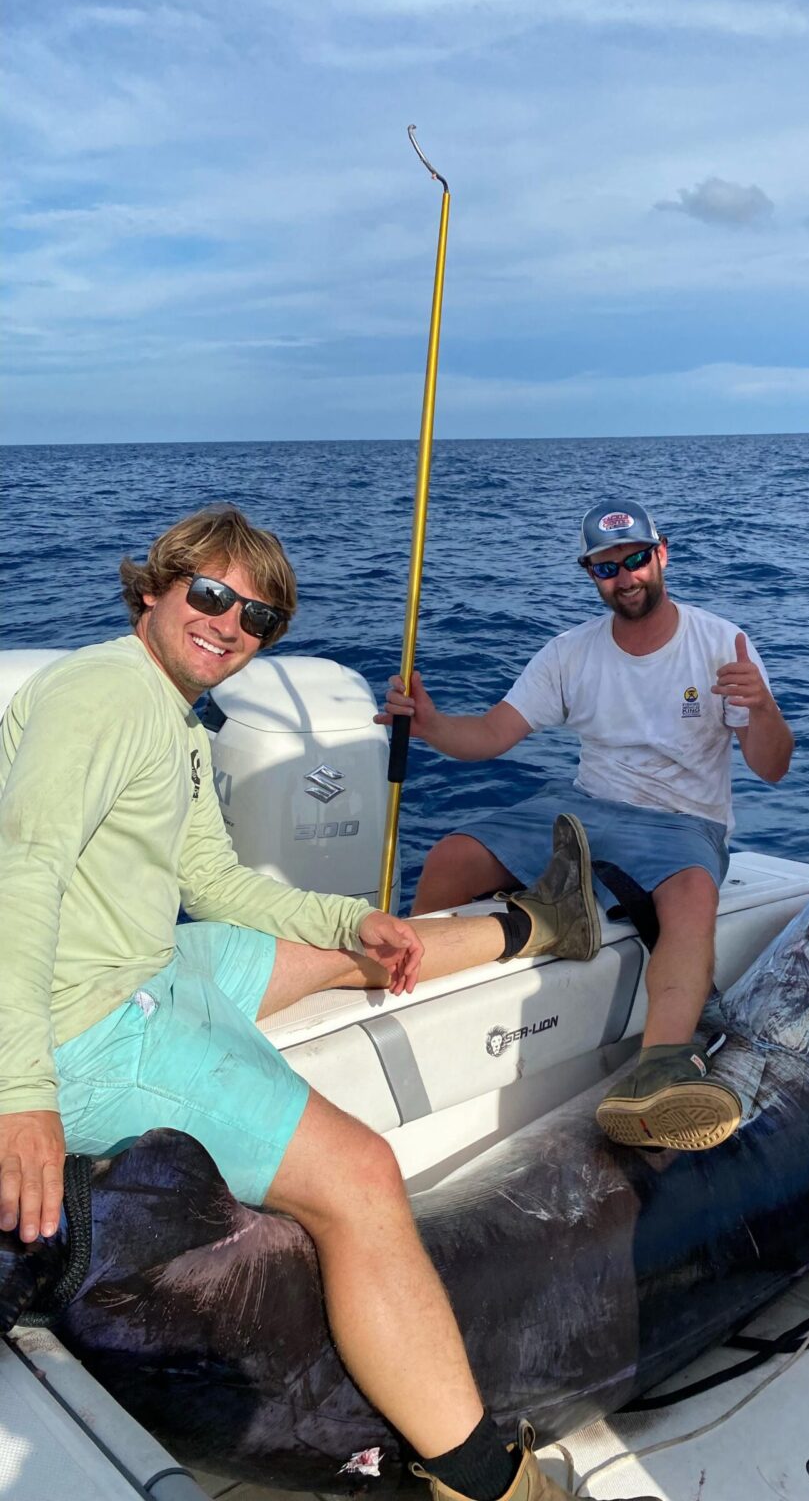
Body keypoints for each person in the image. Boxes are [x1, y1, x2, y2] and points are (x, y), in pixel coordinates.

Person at [0, 505, 650, 1501]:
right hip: (86, 1023)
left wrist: (350, 921)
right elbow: (24, 873)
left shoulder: (170, 711)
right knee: (361, 1174)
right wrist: (23, 1094)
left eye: (256, 617)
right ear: (156, 588)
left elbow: (213, 876)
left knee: (327, 951)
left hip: (147, 959)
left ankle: (539, 926)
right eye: (210, 594)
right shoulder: (103, 696)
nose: (229, 624)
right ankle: (483, 1479)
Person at [378, 501, 794, 1153]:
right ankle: (417, 1000)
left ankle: (661, 1067)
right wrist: (431, 725)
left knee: (691, 897)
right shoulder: (570, 651)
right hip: (583, 806)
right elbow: (492, 734)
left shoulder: (723, 645)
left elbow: (773, 769)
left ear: (662, 555)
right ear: (591, 574)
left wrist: (762, 709)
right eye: (607, 568)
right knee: (453, 856)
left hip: (682, 824)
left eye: (634, 560)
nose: (624, 577)